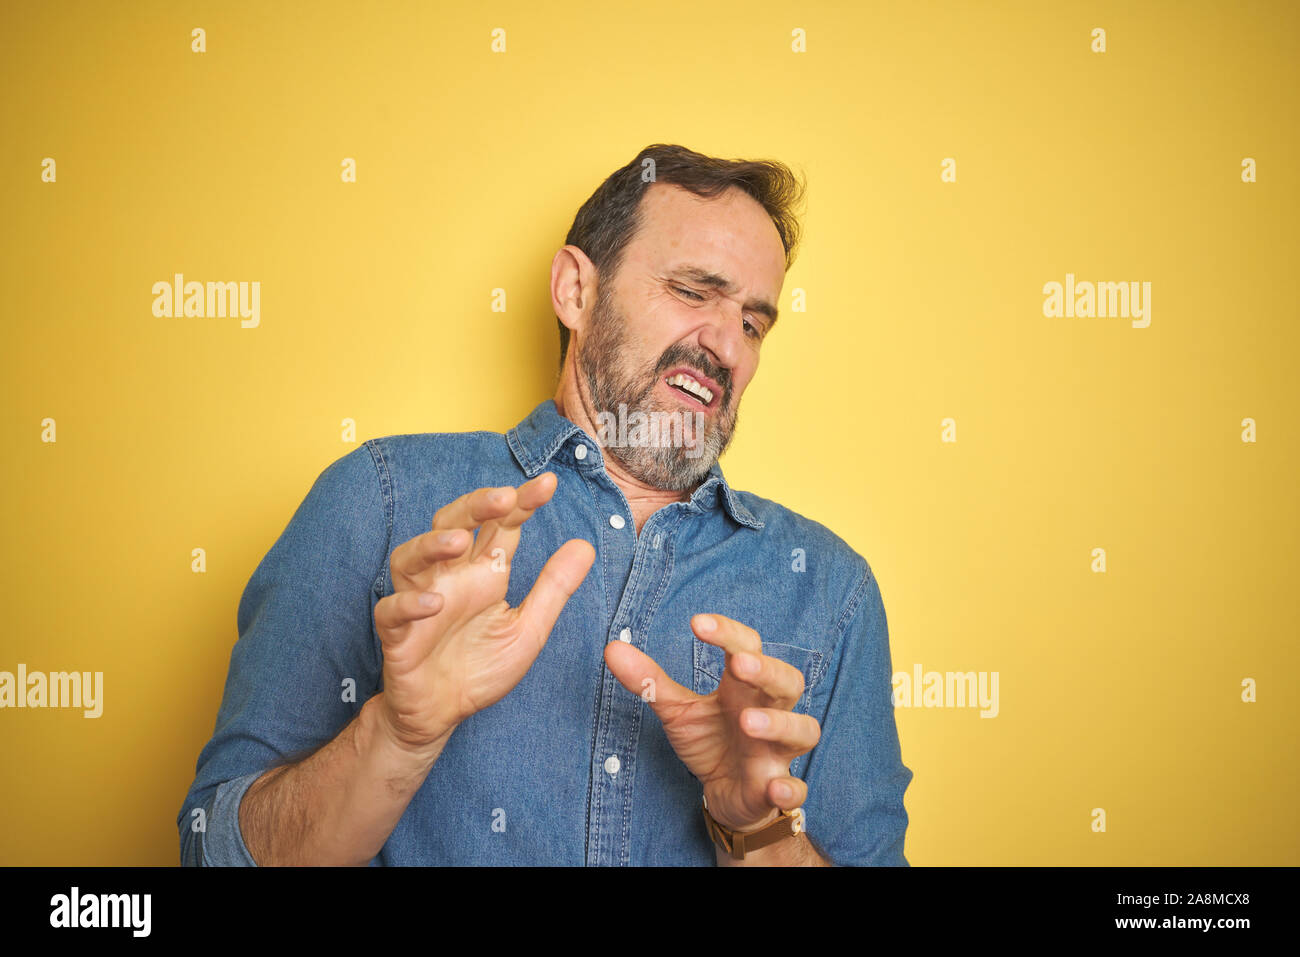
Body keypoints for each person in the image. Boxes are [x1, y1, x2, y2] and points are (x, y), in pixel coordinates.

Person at [178, 143, 912, 866]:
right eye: (693, 291)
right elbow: (214, 852)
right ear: (575, 291)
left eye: (753, 323)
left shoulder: (830, 586)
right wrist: (396, 738)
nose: (726, 344)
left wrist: (755, 832)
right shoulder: (379, 497)